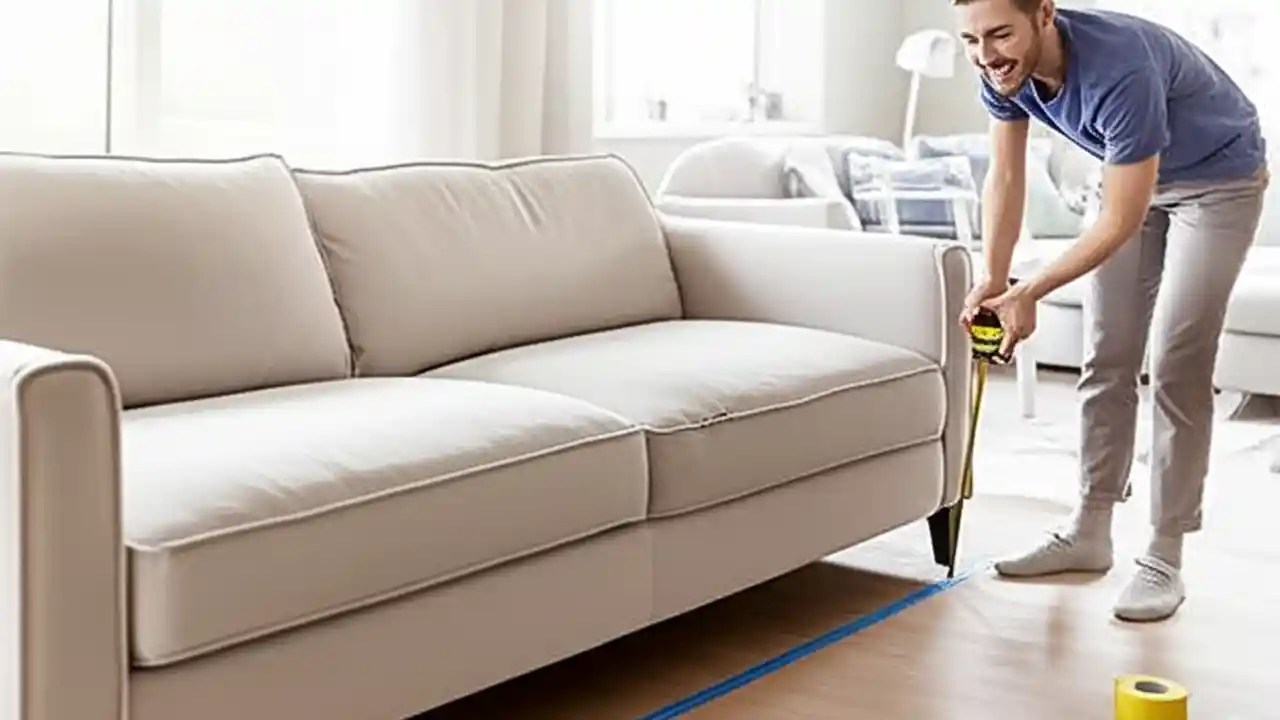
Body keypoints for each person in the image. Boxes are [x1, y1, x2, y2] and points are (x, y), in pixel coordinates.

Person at [950, 0, 1269, 622]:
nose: (986, 55)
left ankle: (1163, 556)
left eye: (998, 34)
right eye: (969, 40)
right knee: (1108, 355)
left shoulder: (1119, 64)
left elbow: (1122, 219)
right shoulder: (1001, 70)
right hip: (1129, 175)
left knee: (1177, 360)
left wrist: (1031, 290)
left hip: (1218, 182)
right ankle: (1090, 530)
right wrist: (994, 276)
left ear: (1044, 14)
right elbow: (1006, 176)